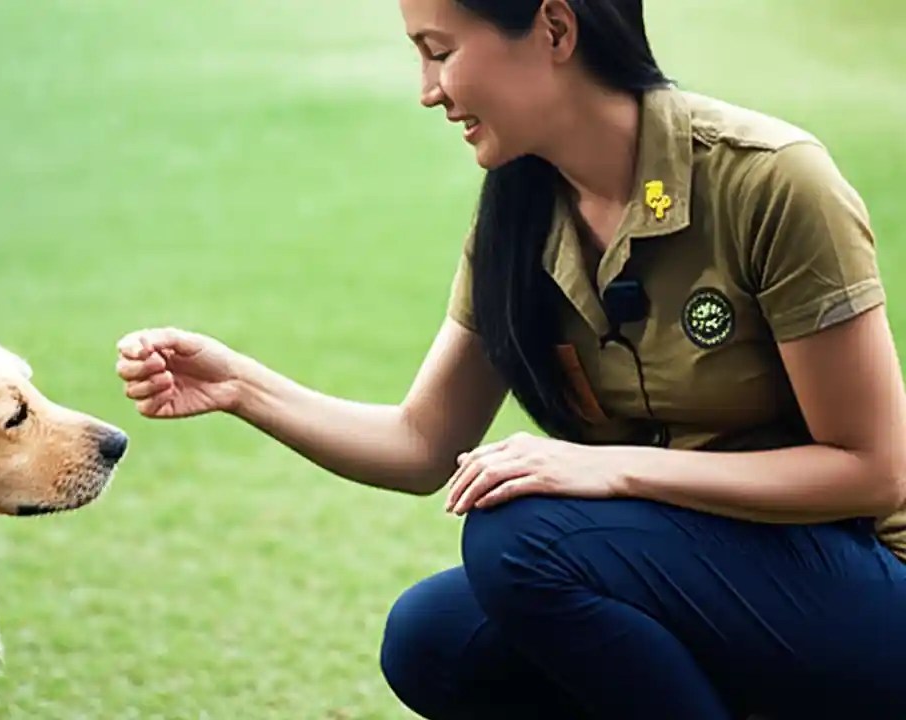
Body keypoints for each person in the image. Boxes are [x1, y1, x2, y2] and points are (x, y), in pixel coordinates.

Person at [114, 0, 906, 717]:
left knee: (521, 537)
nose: (428, 88)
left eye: (439, 50)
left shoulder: (770, 179)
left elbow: (871, 470)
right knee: (435, 636)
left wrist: (614, 469)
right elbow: (422, 444)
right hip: (706, 579)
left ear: (555, 29)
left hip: (866, 587)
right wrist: (240, 386)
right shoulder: (522, 215)